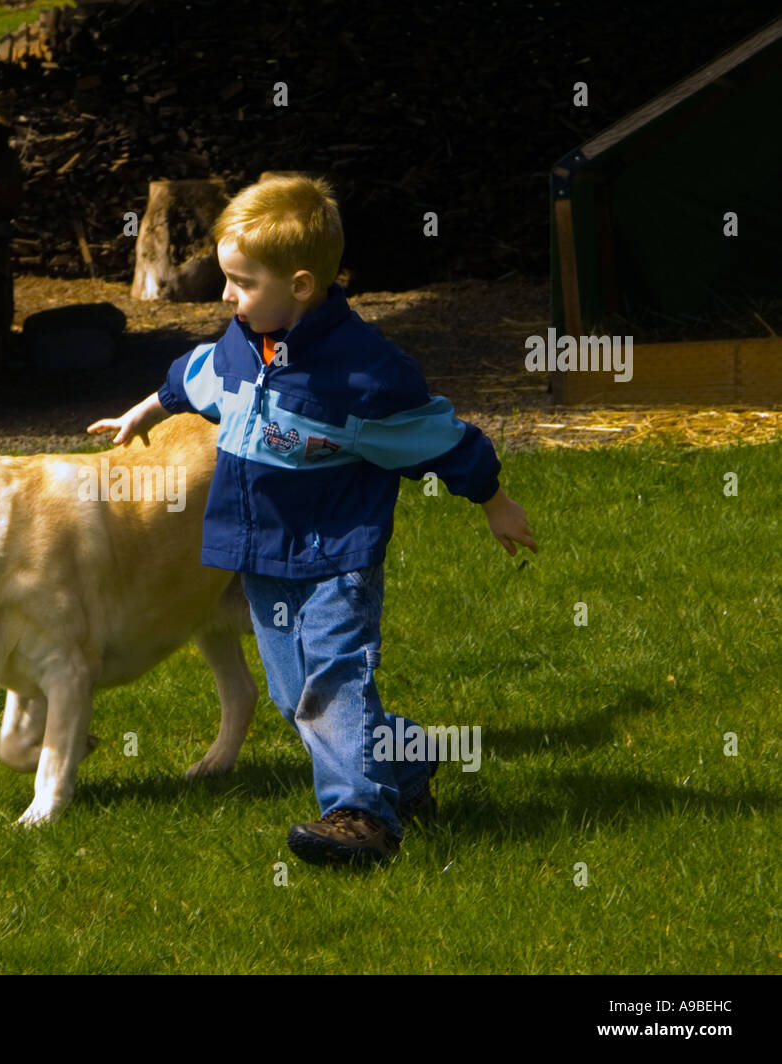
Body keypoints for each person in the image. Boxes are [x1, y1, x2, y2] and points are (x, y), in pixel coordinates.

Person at [87, 174, 538, 865]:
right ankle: (408, 759)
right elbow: (193, 376)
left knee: (332, 681)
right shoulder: (243, 344)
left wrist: (494, 501)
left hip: (336, 557)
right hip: (261, 555)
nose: (226, 297)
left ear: (299, 286)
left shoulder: (361, 379)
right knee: (294, 693)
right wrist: (146, 409)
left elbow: (442, 438)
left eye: (241, 283)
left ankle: (361, 820)